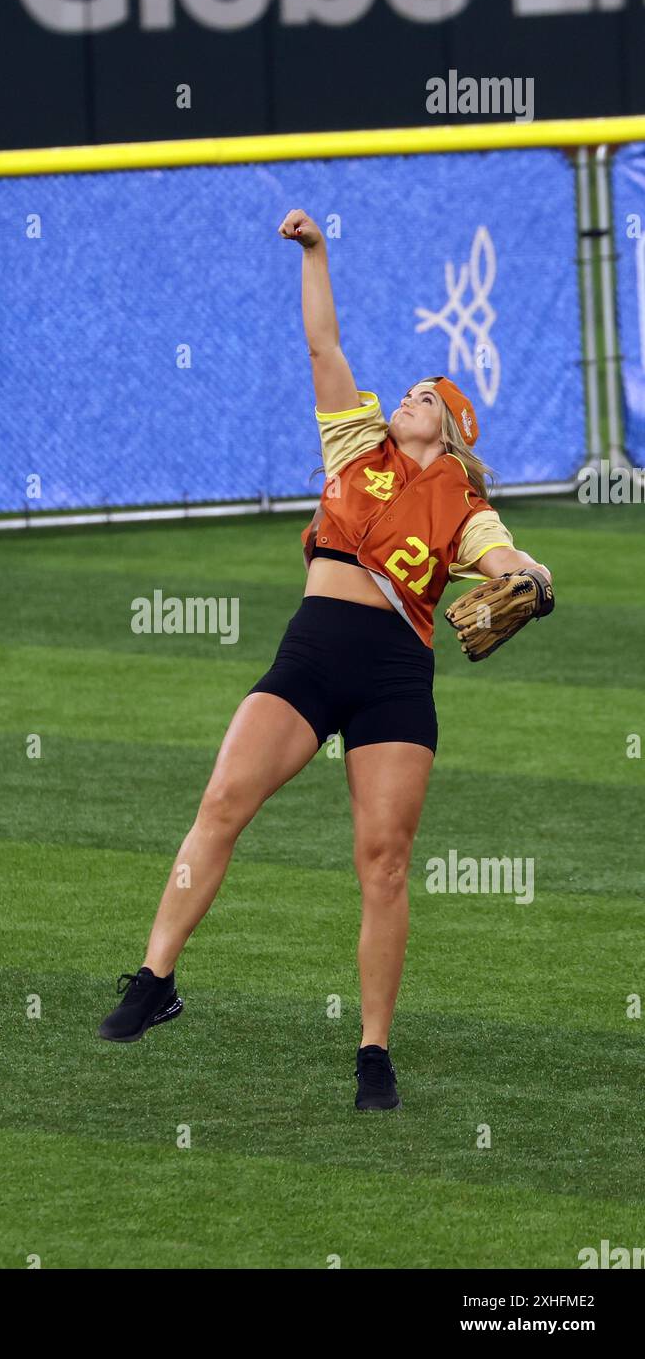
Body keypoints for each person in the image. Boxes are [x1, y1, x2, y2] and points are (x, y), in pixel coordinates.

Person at [98, 208, 553, 1111]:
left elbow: (512, 564)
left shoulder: (464, 505)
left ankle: (373, 1053)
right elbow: (322, 343)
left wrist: (534, 579)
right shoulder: (357, 441)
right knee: (224, 801)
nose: (409, 396)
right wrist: (317, 252)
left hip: (393, 676)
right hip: (310, 654)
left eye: (427, 395)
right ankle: (155, 980)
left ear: (453, 429)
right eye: (412, 389)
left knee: (383, 861)